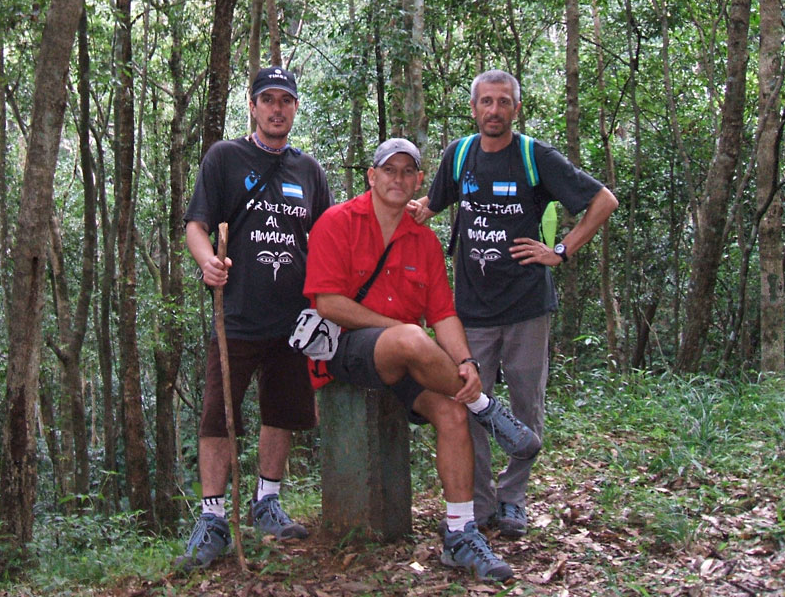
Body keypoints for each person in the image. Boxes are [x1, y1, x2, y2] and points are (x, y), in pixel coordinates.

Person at [304, 138, 540, 584]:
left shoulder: (424, 241)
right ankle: (486, 409)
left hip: (405, 358)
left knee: (451, 412)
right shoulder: (338, 222)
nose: (396, 178)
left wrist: (466, 361)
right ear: (371, 177)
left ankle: (459, 532)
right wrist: (394, 328)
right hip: (346, 351)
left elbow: (444, 313)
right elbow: (329, 302)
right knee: (411, 337)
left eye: (406, 171)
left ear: (417, 182)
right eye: (387, 170)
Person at [410, 69, 618, 539]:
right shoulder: (459, 155)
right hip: (472, 311)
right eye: (486, 102)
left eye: (504, 102)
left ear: (516, 109)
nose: (494, 110)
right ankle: (479, 503)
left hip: (526, 306)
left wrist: (561, 250)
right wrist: (407, 206)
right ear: (474, 108)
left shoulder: (533, 156)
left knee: (526, 407)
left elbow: (603, 200)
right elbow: (433, 204)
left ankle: (513, 500)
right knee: (470, 405)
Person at [177, 66, 333, 571]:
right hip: (236, 316)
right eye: (268, 99)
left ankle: (267, 501)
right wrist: (207, 262)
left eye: (285, 100)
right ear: (252, 105)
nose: (277, 109)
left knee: (282, 412)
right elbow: (196, 225)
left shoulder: (309, 171)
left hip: (293, 319)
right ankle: (213, 517)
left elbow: (327, 240)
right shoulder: (225, 157)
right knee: (218, 414)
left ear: (294, 108)